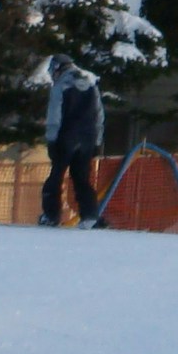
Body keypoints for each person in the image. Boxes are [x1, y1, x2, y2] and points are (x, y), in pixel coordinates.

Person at [39, 55, 105, 228]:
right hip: (88, 139)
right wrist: (97, 142)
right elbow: (99, 115)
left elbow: (54, 117)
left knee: (55, 177)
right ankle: (90, 216)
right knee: (82, 178)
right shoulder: (90, 83)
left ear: (58, 68)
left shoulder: (60, 87)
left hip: (66, 137)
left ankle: (51, 215)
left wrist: (52, 141)